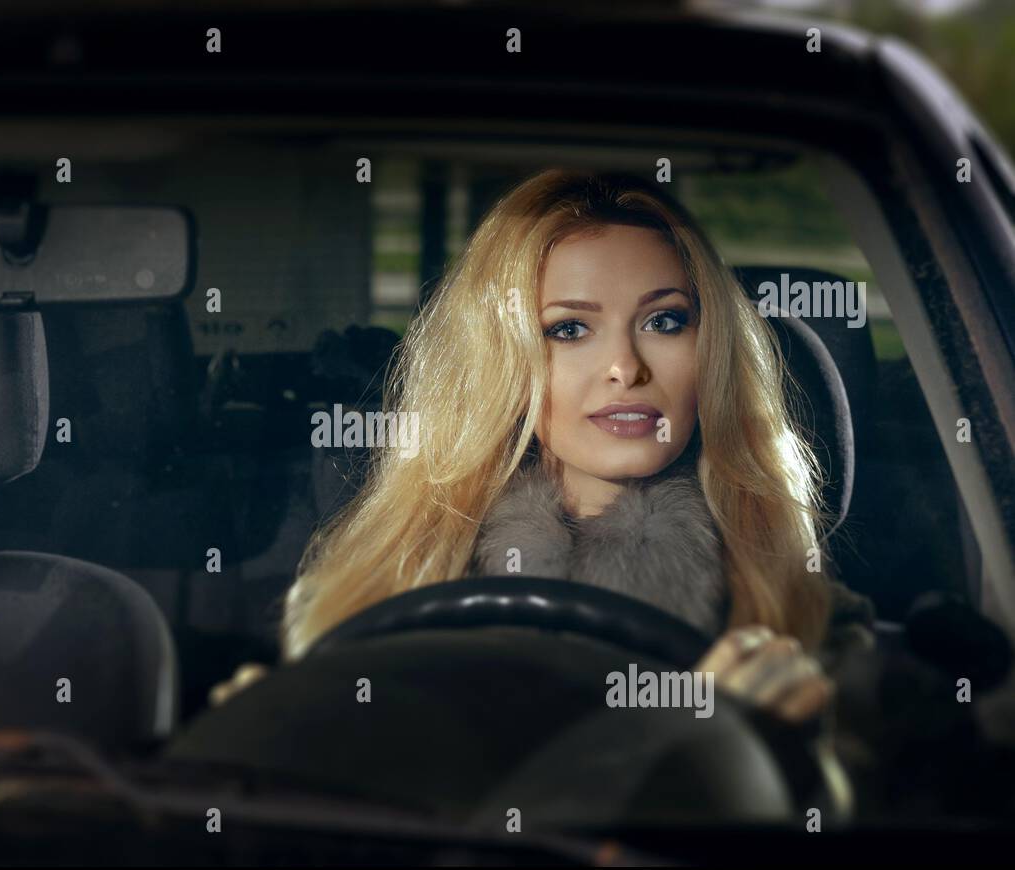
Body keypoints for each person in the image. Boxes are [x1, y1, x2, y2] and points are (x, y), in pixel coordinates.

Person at [211, 170, 877, 750]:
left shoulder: (799, 612)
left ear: (713, 351)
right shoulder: (387, 579)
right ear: (504, 363)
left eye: (665, 321)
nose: (625, 367)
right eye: (568, 329)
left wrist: (765, 750)